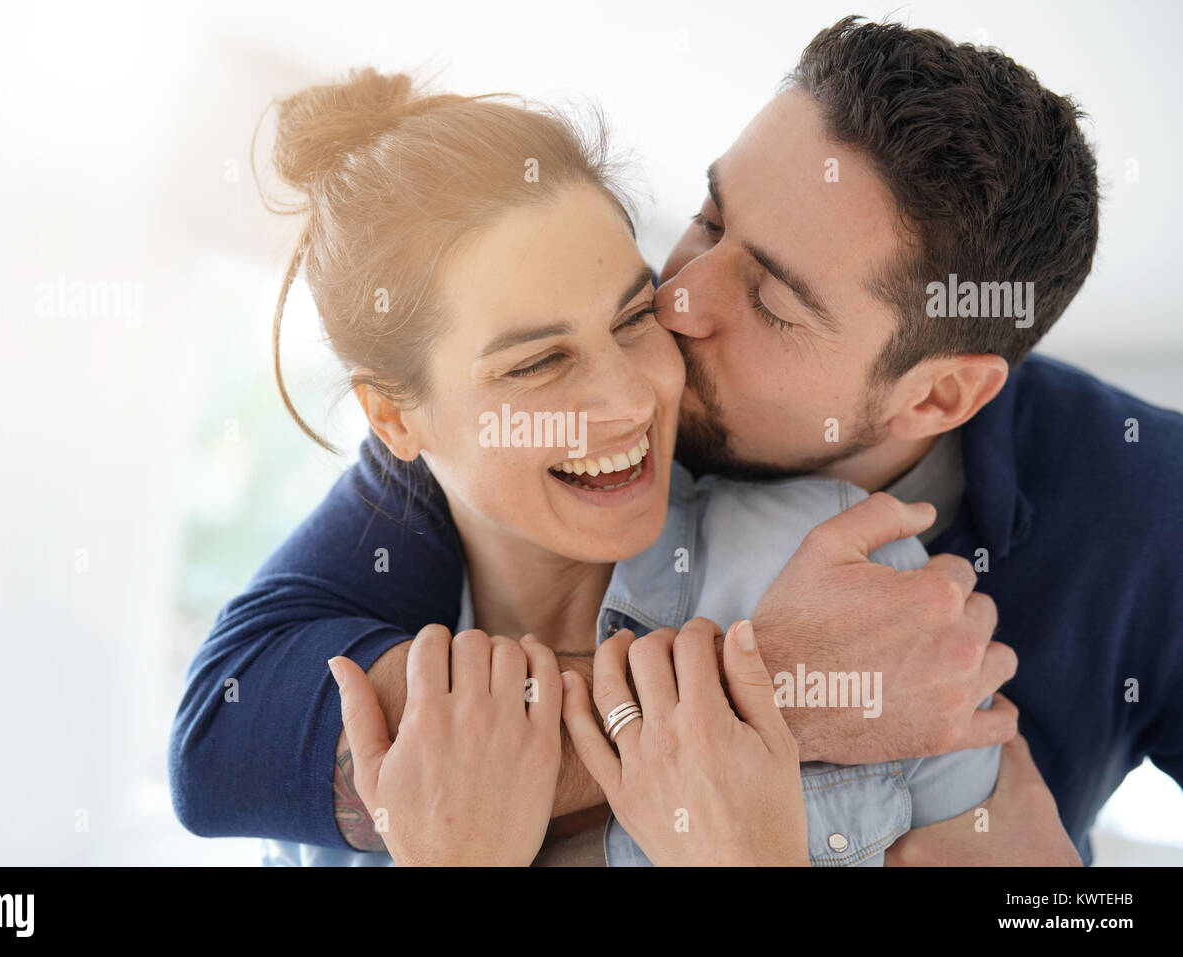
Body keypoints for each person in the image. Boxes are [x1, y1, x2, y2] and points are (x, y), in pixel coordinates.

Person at [172, 17, 1182, 865]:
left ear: (939, 397)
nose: (679, 300)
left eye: (773, 300)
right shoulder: (542, 434)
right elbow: (225, 736)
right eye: (708, 218)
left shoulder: (1148, 503)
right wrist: (770, 691)